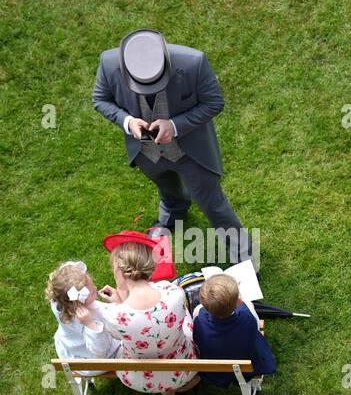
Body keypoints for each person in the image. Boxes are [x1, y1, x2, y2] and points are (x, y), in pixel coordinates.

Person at [92, 30, 250, 262]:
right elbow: (100, 99)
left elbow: (214, 102)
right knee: (166, 186)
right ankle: (173, 211)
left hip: (190, 153)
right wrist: (128, 122)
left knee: (214, 205)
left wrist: (174, 126)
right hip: (146, 153)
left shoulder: (194, 62)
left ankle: (245, 258)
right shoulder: (108, 62)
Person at [98, 238, 199, 394]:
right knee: (185, 316)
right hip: (184, 368)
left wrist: (119, 304)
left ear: (119, 270)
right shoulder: (173, 291)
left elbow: (120, 334)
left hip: (141, 380)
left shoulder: (113, 315)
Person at [192, 273, 277, 387]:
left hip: (214, 369)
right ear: (238, 301)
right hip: (245, 368)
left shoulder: (199, 315)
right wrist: (243, 300)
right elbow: (256, 326)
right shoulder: (248, 316)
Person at [46, 260, 121, 375]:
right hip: (96, 362)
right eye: (92, 292)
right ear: (80, 301)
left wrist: (73, 274)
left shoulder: (59, 302)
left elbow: (64, 280)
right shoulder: (93, 316)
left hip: (72, 351)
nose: (95, 287)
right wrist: (118, 304)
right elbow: (101, 351)